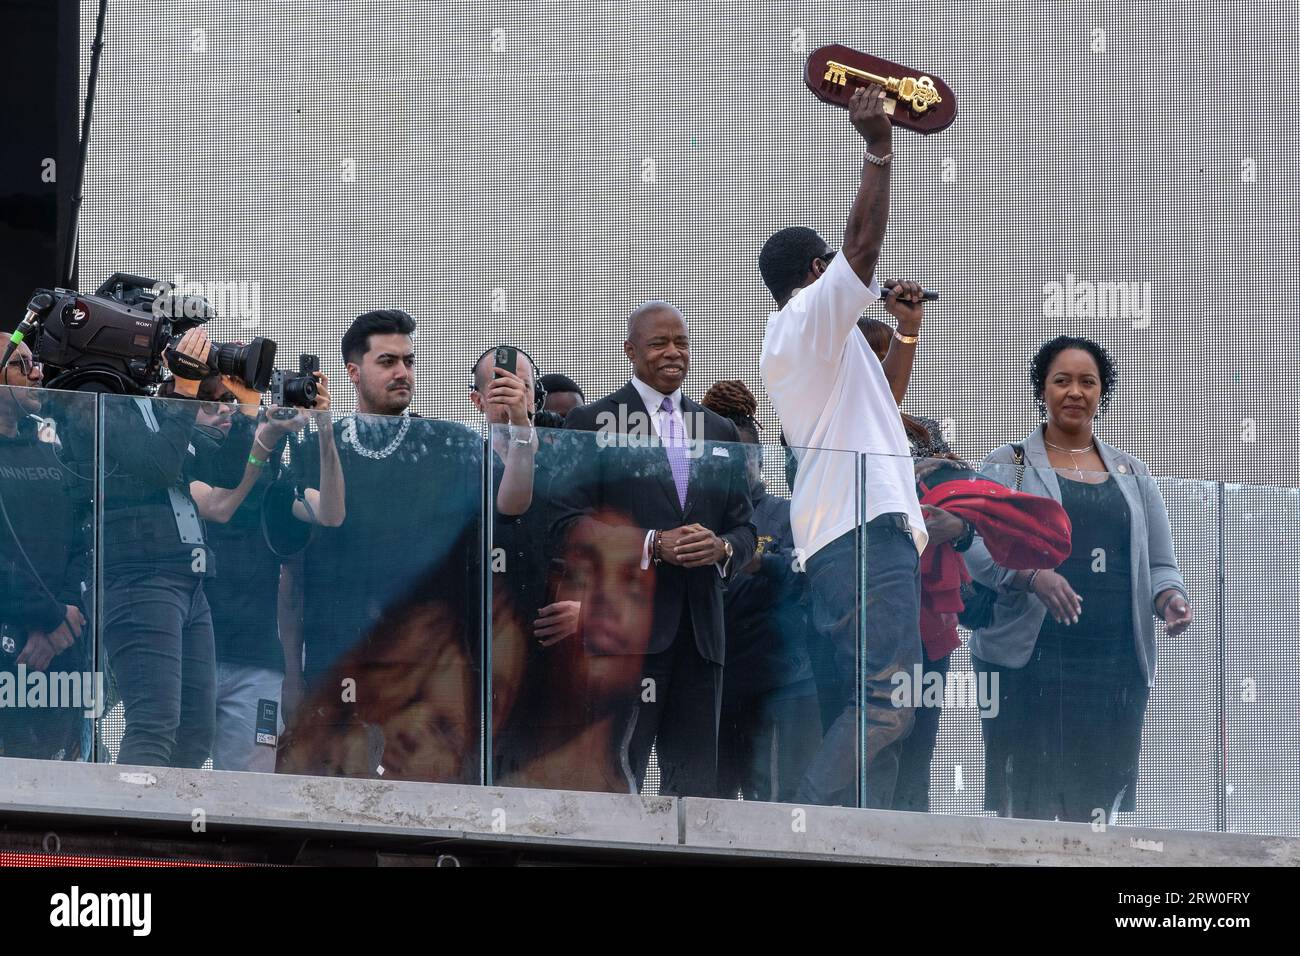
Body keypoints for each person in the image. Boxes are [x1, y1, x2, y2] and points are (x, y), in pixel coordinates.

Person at [757, 82, 929, 808]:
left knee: (877, 714)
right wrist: (879, 151)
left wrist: (908, 330)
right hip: (860, 538)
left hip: (849, 538)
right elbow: (863, 245)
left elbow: (883, 407)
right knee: (888, 706)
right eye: (834, 265)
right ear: (814, 273)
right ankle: (797, 822)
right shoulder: (806, 318)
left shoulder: (823, 348)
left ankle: (848, 838)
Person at [963, 335, 1193, 823]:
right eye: (1061, 380)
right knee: (1024, 795)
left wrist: (1169, 597)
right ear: (1041, 390)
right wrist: (1030, 576)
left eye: (1087, 382)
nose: (1074, 392)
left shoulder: (1134, 472)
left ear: (1101, 393)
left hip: (1113, 661)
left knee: (1101, 797)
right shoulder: (1009, 465)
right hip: (1028, 661)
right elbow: (973, 548)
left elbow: (1159, 563)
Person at [556, 300, 756, 797]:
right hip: (623, 637)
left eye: (681, 342)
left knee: (695, 792)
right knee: (615, 783)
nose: (673, 353)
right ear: (630, 350)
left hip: (701, 636)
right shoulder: (591, 420)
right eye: (659, 343)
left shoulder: (718, 429)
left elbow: (745, 529)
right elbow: (566, 524)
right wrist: (651, 544)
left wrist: (721, 548)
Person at [279, 309, 482, 783]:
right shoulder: (313, 450)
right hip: (336, 658)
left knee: (425, 818)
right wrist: (290, 668)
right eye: (388, 361)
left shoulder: (448, 445)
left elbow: (505, 520)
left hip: (425, 669)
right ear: (353, 371)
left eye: (409, 361)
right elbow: (291, 575)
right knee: (331, 809)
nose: (403, 373)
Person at [164, 368, 342, 773]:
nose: (225, 411)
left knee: (248, 795)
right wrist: (257, 429)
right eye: (211, 402)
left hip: (256, 662)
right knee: (169, 783)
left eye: (231, 401)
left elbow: (331, 513)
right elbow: (219, 505)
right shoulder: (174, 470)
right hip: (187, 655)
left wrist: (325, 428)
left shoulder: (270, 484)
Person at [99, 327, 229, 767]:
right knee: (154, 724)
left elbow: (224, 470)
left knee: (196, 734)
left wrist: (245, 404)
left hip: (190, 584)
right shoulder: (98, 399)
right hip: (141, 580)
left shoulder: (163, 407)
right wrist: (186, 393)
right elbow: (157, 467)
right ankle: (120, 833)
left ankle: (173, 837)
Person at [700, 380, 820, 803]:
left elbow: (805, 573)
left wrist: (755, 559)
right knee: (706, 801)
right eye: (723, 455)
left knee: (772, 800)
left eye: (744, 454)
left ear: (760, 456)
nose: (736, 465)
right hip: (711, 681)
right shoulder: (693, 517)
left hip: (779, 681)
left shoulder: (787, 513)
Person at [0, 343, 92, 759]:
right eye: (23, 366)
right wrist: (51, 616)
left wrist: (66, 615)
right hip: (16, 637)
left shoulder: (51, 453)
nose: (38, 374)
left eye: (37, 364)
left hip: (56, 650)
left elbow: (81, 539)